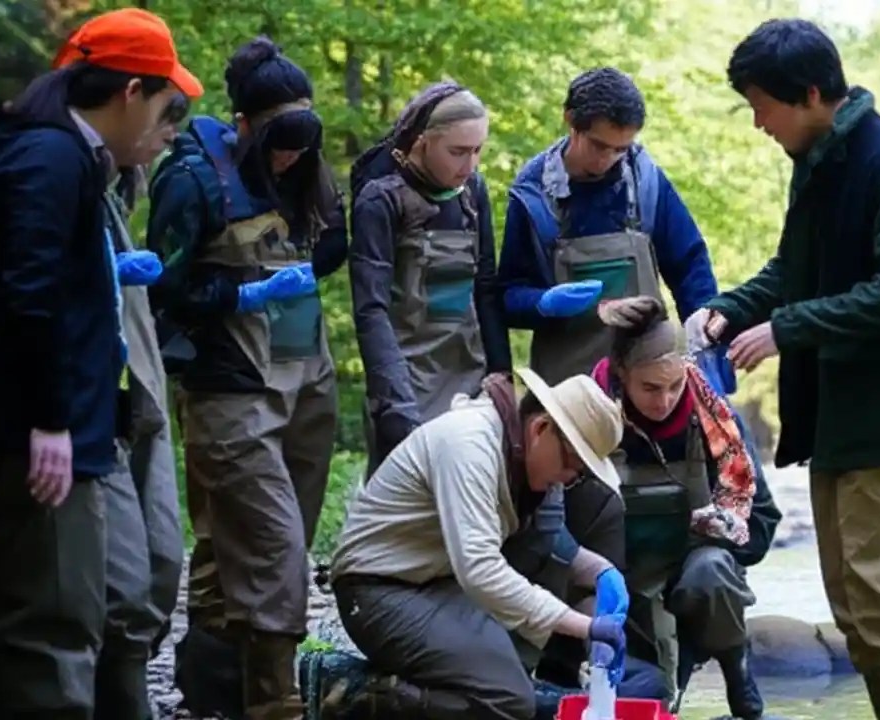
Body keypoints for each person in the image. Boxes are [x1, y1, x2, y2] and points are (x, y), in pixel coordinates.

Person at [696, 18, 880, 720]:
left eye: (762, 105)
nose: (757, 123)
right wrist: (732, 310)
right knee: (858, 613)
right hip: (842, 425)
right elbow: (796, 269)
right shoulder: (819, 167)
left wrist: (789, 327)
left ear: (811, 94)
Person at [0, 8, 200, 717]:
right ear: (130, 93)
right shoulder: (49, 157)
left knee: (16, 625)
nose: (164, 121)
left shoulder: (46, 151)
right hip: (34, 433)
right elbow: (27, 297)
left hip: (48, 425)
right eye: (163, 102)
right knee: (53, 626)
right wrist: (50, 421)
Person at [145, 36, 349, 719]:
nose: (289, 158)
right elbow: (164, 291)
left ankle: (210, 692)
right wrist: (239, 297)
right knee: (276, 554)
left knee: (231, 546)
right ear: (245, 127)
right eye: (279, 145)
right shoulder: (192, 180)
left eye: (301, 146)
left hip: (304, 381)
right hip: (228, 385)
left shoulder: (304, 176)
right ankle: (276, 704)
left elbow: (328, 250)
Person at [329, 369, 630, 720]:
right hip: (376, 590)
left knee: (513, 688)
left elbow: (547, 544)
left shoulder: (517, 454)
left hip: (434, 585)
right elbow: (480, 569)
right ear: (541, 428)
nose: (569, 478)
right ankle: (361, 697)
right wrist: (584, 626)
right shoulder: (471, 444)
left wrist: (602, 572)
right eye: (571, 464)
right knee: (508, 701)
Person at [590, 302, 782, 719]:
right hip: (616, 582)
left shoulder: (714, 416)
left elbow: (764, 523)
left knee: (712, 571)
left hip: (694, 579)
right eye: (650, 388)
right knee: (649, 698)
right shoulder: (588, 416)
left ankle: (737, 673)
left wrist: (728, 527)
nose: (665, 401)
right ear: (621, 374)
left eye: (674, 386)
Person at [497, 67, 718, 387]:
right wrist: (543, 304)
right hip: (568, 388)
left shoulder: (645, 181)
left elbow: (689, 266)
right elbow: (507, 296)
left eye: (621, 149)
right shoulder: (533, 195)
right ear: (571, 120)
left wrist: (708, 351)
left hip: (649, 385)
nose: (609, 160)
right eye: (599, 146)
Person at [348, 81, 512, 477]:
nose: (469, 164)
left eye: (478, 151)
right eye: (457, 152)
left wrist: (501, 374)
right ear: (422, 142)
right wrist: (395, 402)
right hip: (406, 381)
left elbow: (485, 284)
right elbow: (370, 309)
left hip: (469, 379)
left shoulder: (472, 191)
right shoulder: (381, 199)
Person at [94, 88, 192, 718]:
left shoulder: (115, 189)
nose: (166, 142)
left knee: (158, 564)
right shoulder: (51, 176)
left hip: (133, 411)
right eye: (162, 124)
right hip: (76, 421)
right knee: (120, 592)